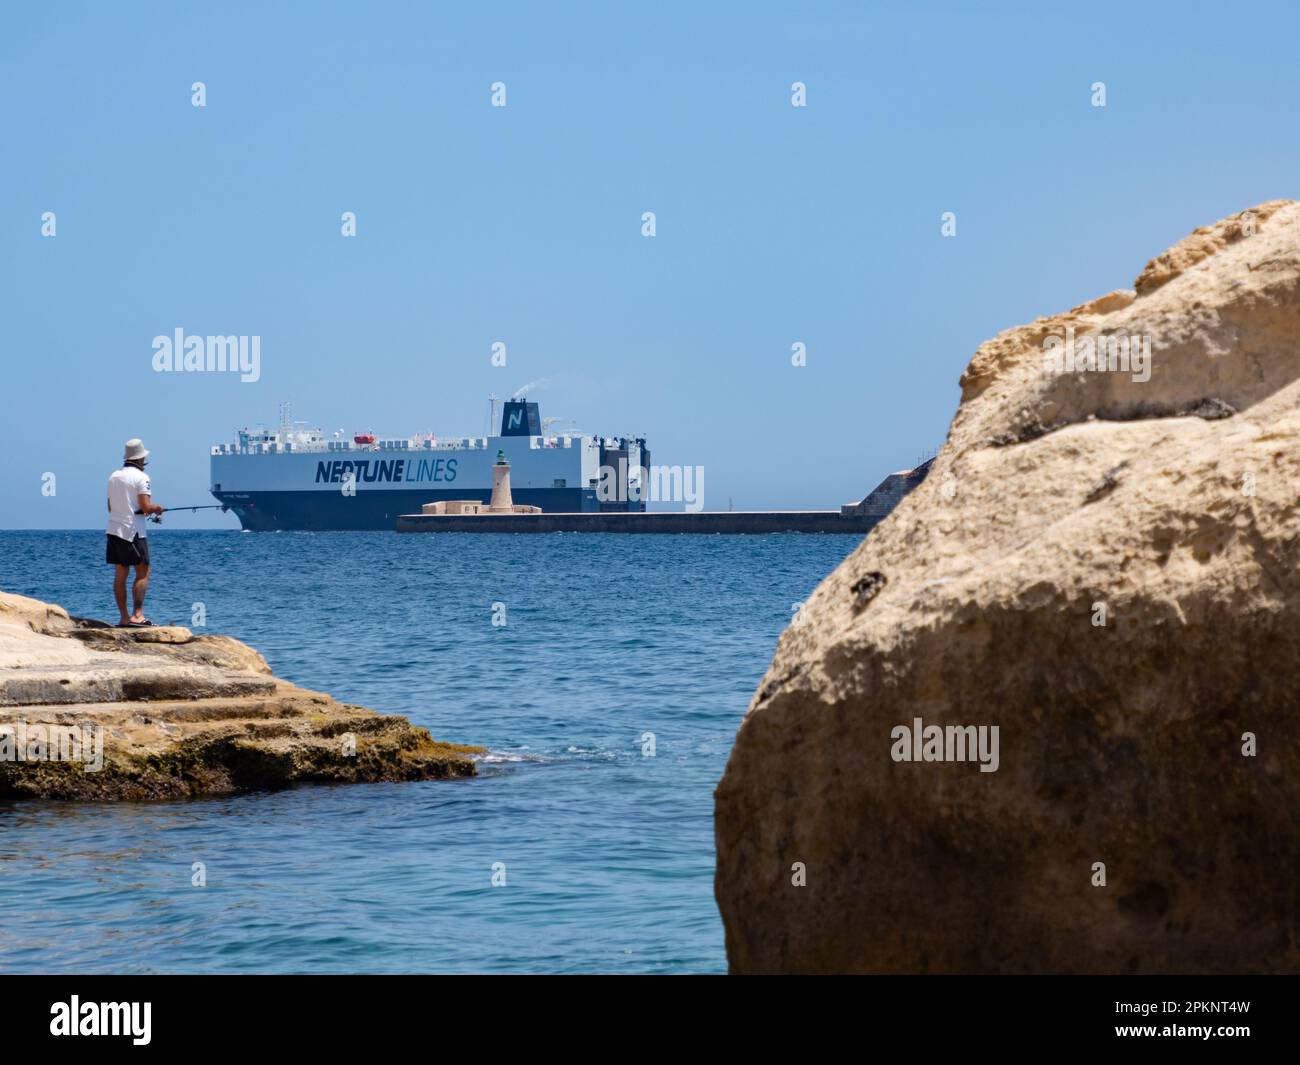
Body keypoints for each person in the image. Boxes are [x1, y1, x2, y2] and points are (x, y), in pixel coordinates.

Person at [106, 439, 164, 627]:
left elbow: (110, 507)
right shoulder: (142, 477)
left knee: (121, 572)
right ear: (141, 459)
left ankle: (123, 618)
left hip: (114, 529)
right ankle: (137, 616)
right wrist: (157, 508)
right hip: (133, 531)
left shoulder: (114, 476)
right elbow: (145, 507)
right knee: (143, 570)